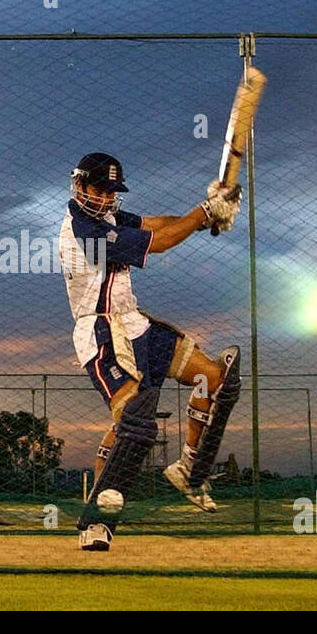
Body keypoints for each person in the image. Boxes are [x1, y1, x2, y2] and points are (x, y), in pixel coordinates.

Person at [58, 152, 243, 552]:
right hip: (101, 329)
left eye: (111, 191)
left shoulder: (108, 219)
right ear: (80, 187)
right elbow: (159, 242)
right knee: (136, 422)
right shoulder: (83, 230)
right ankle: (98, 522)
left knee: (215, 378)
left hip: (134, 322)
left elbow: (157, 224)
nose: (106, 198)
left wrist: (209, 214)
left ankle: (190, 467)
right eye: (98, 189)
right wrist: (205, 211)